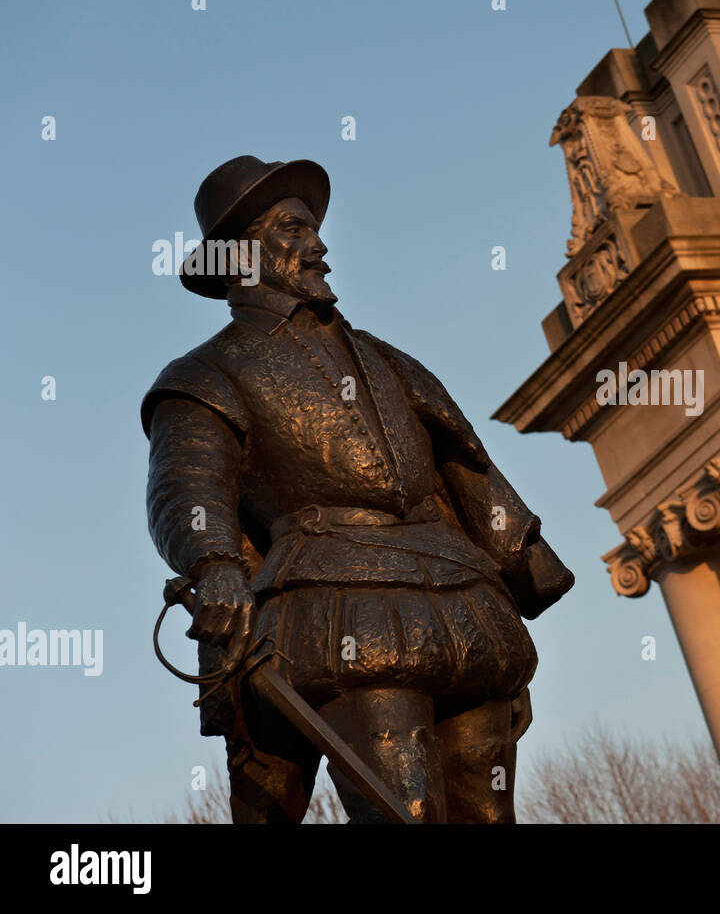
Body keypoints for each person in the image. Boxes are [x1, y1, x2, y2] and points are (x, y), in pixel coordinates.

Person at [142, 156, 573, 823]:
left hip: (463, 600)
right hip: (340, 606)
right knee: (407, 809)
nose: (317, 245)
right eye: (292, 229)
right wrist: (216, 565)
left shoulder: (383, 356)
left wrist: (520, 556)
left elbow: (459, 457)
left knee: (489, 814)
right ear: (240, 252)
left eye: (314, 229)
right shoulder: (205, 373)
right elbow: (187, 485)